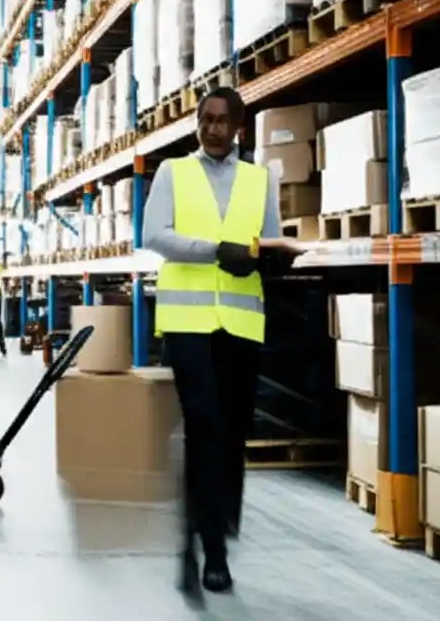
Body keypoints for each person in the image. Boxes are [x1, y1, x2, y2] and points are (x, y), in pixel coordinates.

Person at [142, 87, 282, 595]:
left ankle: (208, 526)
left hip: (241, 324)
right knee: (203, 425)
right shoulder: (173, 173)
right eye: (205, 118)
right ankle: (206, 551)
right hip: (188, 324)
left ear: (239, 126)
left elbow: (268, 237)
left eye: (223, 120)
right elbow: (153, 234)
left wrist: (269, 256)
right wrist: (216, 252)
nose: (213, 128)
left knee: (232, 434)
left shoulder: (259, 179)